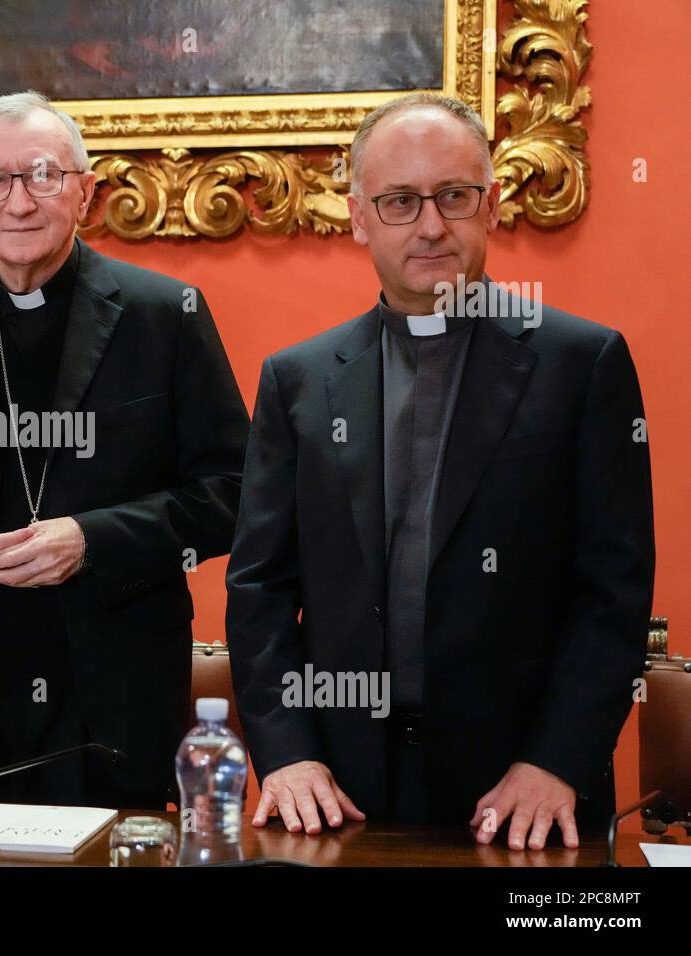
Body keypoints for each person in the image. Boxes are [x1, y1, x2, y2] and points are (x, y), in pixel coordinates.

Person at [226, 93, 655, 850]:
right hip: (340, 796)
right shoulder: (297, 379)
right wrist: (289, 755)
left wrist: (555, 761)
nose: (430, 227)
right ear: (359, 216)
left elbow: (613, 593)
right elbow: (260, 590)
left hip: (526, 798)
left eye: (453, 197)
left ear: (489, 207)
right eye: (399, 202)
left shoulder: (582, 363)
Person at [0, 91, 249, 809]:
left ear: (85, 193)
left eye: (43, 175)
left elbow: (231, 489)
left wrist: (90, 539)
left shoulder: (166, 315)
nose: (19, 202)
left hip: (113, 681)